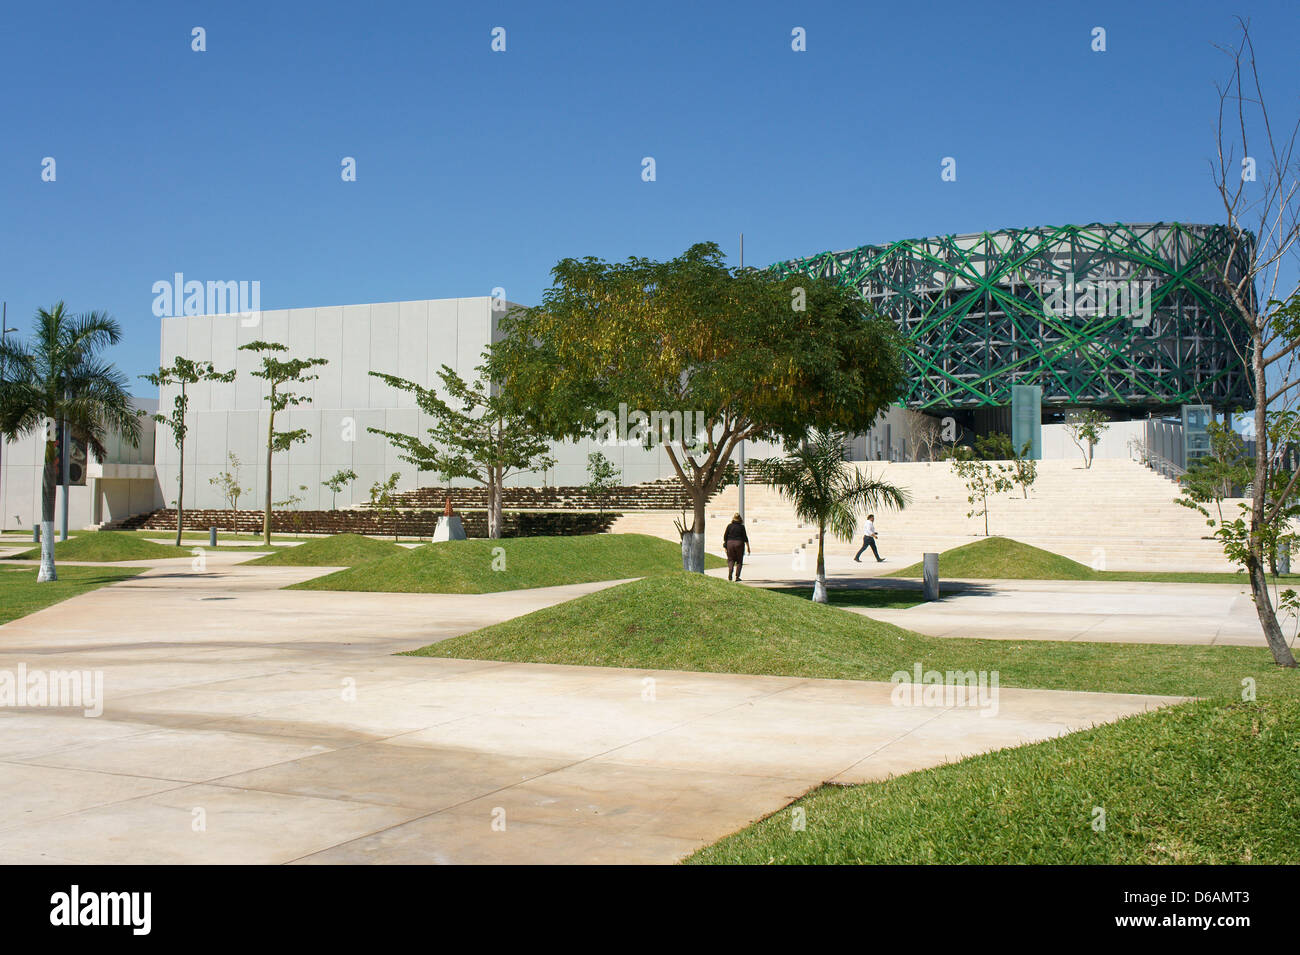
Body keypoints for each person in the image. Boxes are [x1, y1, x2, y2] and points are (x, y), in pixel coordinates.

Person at [722, 512, 750, 581]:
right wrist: (748, 547)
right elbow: (745, 537)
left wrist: (725, 546)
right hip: (739, 544)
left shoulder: (729, 526)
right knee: (739, 561)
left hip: (730, 544)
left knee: (731, 560)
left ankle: (730, 574)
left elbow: (725, 537)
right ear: (740, 519)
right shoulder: (741, 527)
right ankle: (737, 577)